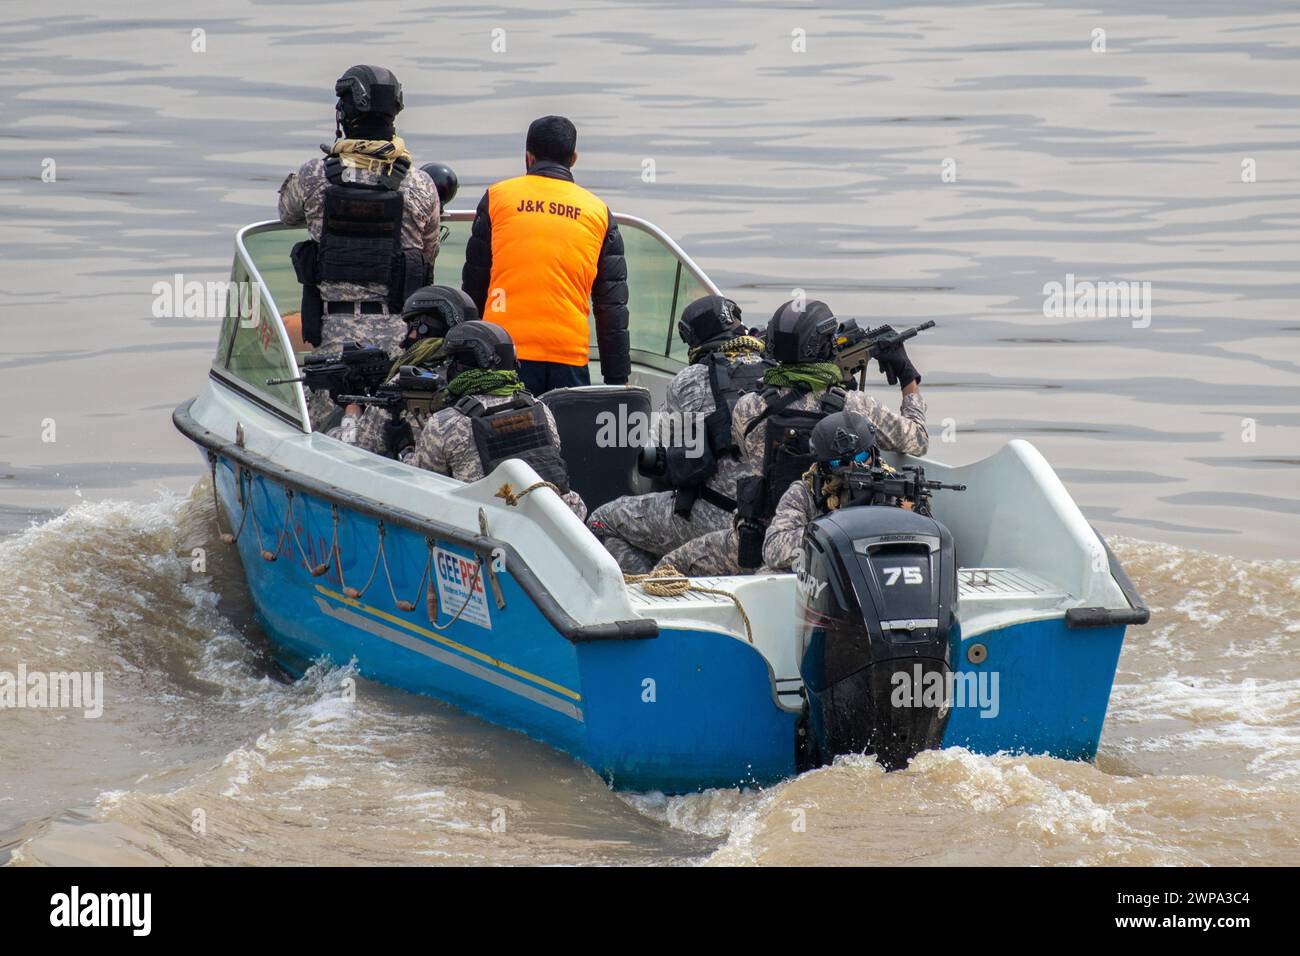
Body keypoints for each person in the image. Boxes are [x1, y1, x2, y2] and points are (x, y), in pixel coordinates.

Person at [655, 298, 929, 576]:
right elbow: (917, 439)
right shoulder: (855, 406)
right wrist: (907, 376)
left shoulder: (749, 407)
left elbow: (751, 450)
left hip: (759, 539)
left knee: (669, 567)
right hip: (832, 535)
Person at [587, 295, 771, 573]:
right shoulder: (775, 371)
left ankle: (645, 595)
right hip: (771, 522)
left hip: (717, 518)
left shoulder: (690, 380)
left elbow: (658, 455)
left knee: (603, 520)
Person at [278, 65, 441, 356]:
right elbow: (428, 253)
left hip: (332, 337)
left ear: (345, 112)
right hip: (400, 342)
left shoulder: (314, 176)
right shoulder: (421, 184)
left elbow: (287, 213)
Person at [461, 115, 629, 395]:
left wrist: (465, 352)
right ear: (573, 158)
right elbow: (611, 307)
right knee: (565, 436)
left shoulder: (498, 198)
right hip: (569, 357)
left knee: (506, 433)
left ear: (528, 157)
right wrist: (616, 379)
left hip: (502, 352)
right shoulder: (598, 212)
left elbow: (475, 285)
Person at [411, 321, 588, 519]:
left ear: (459, 367)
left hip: (487, 531)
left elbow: (422, 489)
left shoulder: (446, 423)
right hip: (556, 522)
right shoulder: (540, 409)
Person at [329, 285, 476, 460]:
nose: (407, 337)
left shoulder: (405, 382)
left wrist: (352, 405)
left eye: (411, 327)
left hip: (417, 476)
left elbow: (352, 446)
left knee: (329, 434)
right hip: (461, 472)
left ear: (421, 329)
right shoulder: (478, 375)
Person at [762, 411, 892, 571]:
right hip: (824, 573)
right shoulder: (804, 492)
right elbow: (772, 548)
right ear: (823, 465)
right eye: (839, 462)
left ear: (873, 452)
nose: (853, 467)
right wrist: (833, 532)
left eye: (860, 457)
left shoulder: (893, 486)